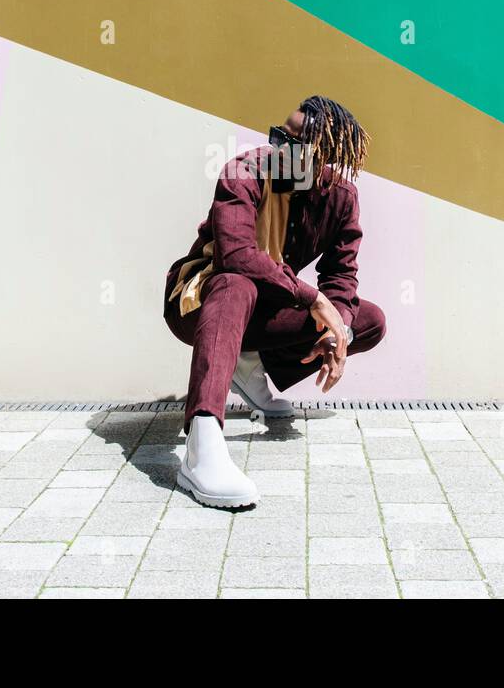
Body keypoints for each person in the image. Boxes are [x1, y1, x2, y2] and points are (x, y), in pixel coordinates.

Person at [163, 95, 387, 508]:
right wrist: (311, 296)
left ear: (324, 158)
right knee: (236, 283)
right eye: (279, 134)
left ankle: (250, 364)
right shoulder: (244, 171)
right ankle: (201, 443)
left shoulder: (340, 198)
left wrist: (337, 326)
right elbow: (235, 255)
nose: (279, 145)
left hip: (259, 313)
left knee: (367, 319)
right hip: (200, 302)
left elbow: (341, 276)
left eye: (293, 142)